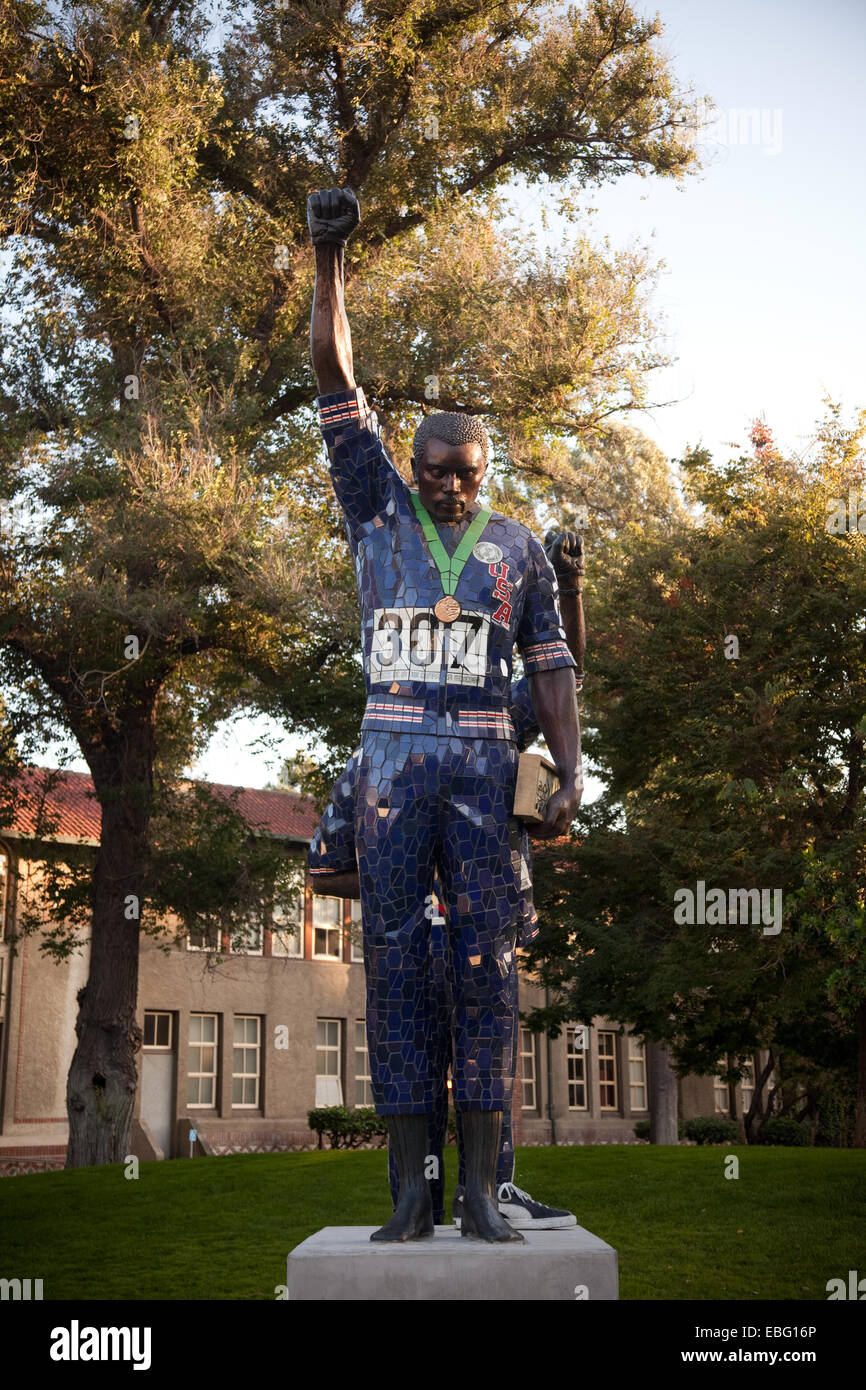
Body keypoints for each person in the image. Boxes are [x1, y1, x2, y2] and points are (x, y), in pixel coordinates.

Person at [308, 186, 583, 1242]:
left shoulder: (516, 547)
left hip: (478, 764)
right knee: (393, 964)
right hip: (389, 760)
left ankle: (479, 1191)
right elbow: (335, 374)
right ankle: (408, 1196)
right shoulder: (374, 503)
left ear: (487, 469)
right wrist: (327, 257)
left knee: (489, 971)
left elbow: (552, 664)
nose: (449, 490)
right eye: (434, 474)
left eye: (464, 476)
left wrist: (567, 764)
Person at [309, 531, 586, 1230]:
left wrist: (570, 590)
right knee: (411, 1054)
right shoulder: (374, 767)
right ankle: (416, 1199)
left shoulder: (491, 730)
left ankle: (491, 1190)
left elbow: (563, 674)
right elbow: (326, 868)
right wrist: (399, 881)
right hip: (419, 942)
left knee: (487, 1040)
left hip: (480, 927)